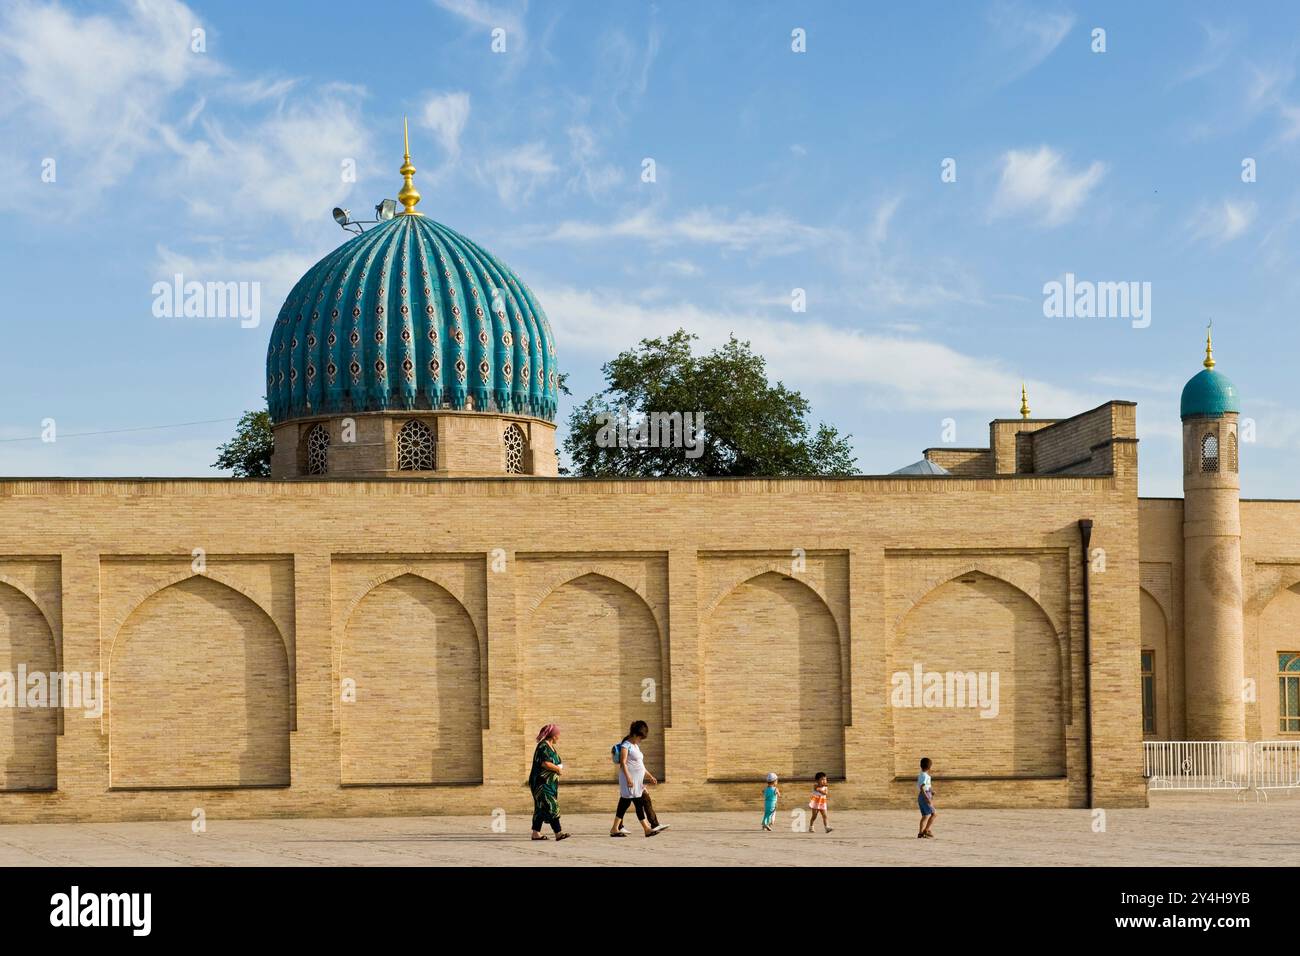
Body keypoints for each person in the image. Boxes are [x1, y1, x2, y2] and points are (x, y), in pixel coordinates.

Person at [608, 720, 670, 837]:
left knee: (625, 803)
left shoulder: (635, 746)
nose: (641, 740)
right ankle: (646, 829)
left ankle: (615, 828)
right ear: (635, 734)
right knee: (637, 803)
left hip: (637, 781)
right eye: (640, 737)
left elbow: (640, 765)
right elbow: (623, 763)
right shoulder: (626, 745)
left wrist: (650, 776)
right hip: (629, 780)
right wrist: (628, 778)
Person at [528, 724, 569, 841]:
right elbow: (545, 763)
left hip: (549, 783)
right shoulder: (543, 746)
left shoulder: (550, 746)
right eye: (558, 735)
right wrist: (557, 769)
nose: (559, 737)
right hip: (541, 783)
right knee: (551, 805)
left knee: (541, 807)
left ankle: (536, 833)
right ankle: (558, 833)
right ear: (553, 735)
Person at [917, 756, 936, 838]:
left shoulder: (921, 775)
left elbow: (927, 786)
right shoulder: (925, 776)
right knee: (934, 814)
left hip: (922, 795)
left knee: (925, 816)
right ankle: (926, 830)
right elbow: (922, 787)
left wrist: (932, 791)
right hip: (925, 795)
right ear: (930, 767)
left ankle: (920, 833)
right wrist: (927, 798)